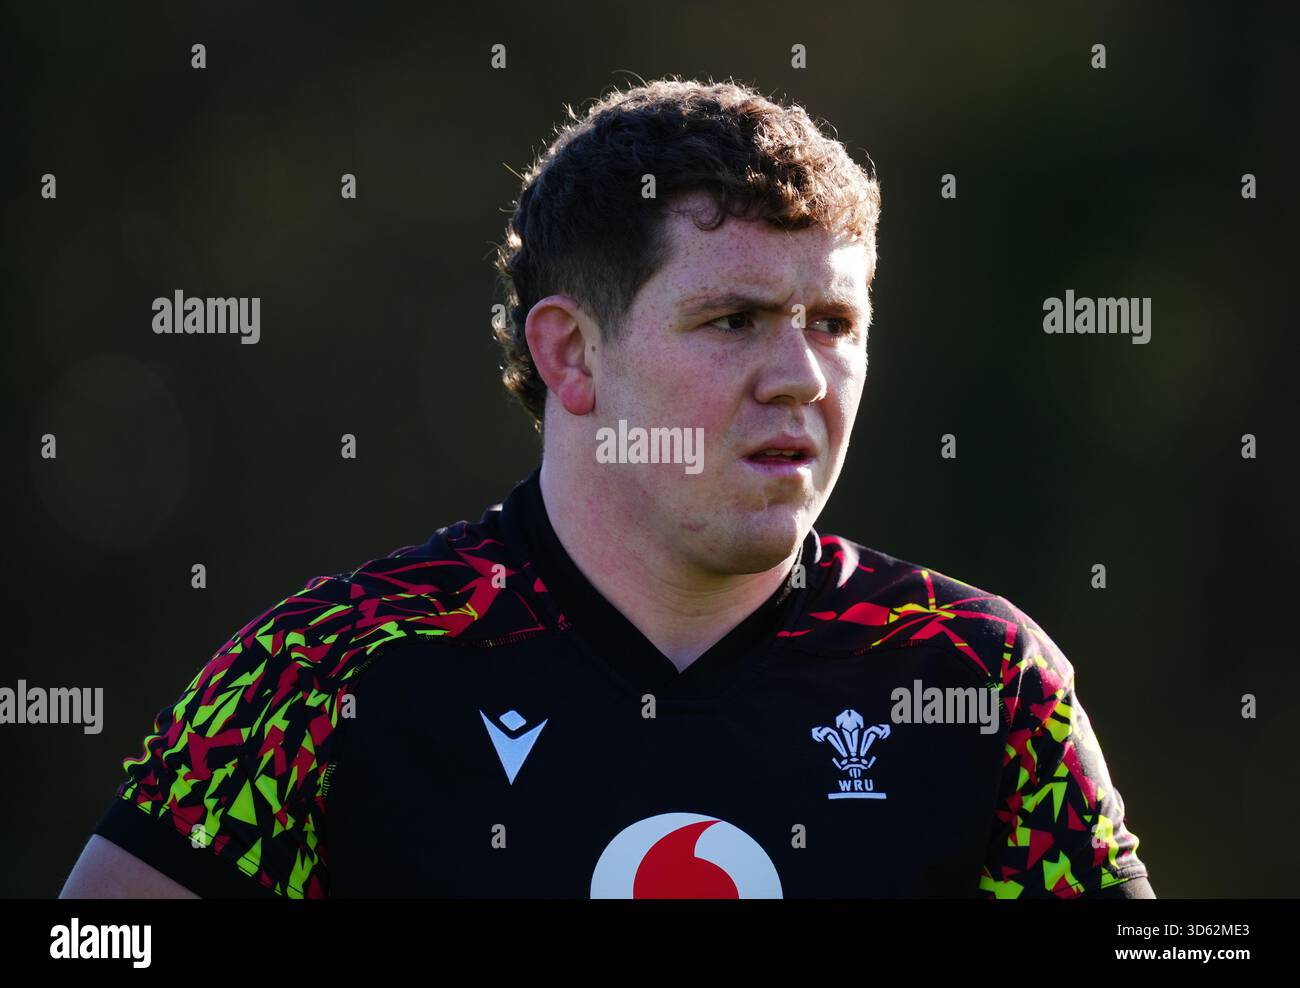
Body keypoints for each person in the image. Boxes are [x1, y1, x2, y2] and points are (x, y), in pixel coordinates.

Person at [60, 77, 1152, 899]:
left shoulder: (976, 676)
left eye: (834, 323)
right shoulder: (330, 674)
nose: (802, 377)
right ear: (571, 355)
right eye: (732, 322)